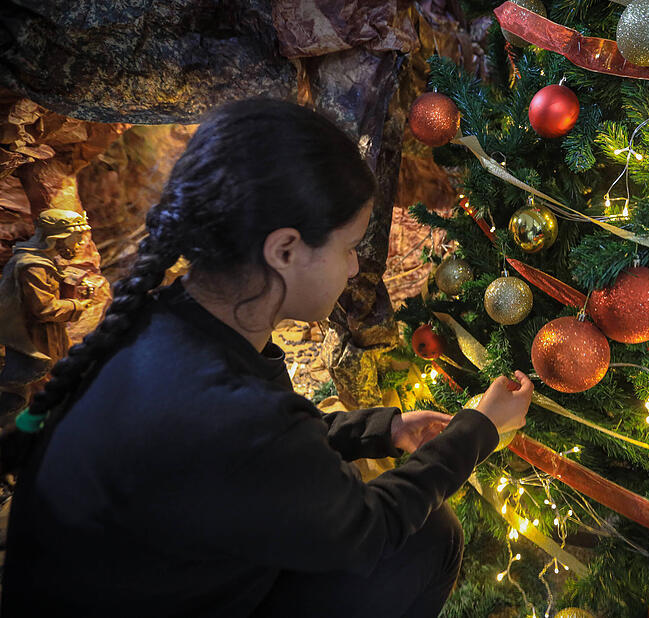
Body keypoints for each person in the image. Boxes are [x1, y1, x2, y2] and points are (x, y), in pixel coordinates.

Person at [1, 99, 533, 617]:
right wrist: (478, 428)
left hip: (129, 578)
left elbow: (247, 458)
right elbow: (366, 529)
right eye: (349, 247)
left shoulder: (160, 320)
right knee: (428, 539)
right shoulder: (234, 413)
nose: (353, 269)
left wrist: (381, 429)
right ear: (285, 250)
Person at [0, 209, 93, 420]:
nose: (78, 245)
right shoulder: (32, 266)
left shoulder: (42, 259)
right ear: (55, 239)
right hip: (34, 340)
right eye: (75, 240)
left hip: (48, 335)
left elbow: (53, 278)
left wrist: (72, 282)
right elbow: (43, 308)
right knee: (23, 390)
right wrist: (78, 305)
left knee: (50, 382)